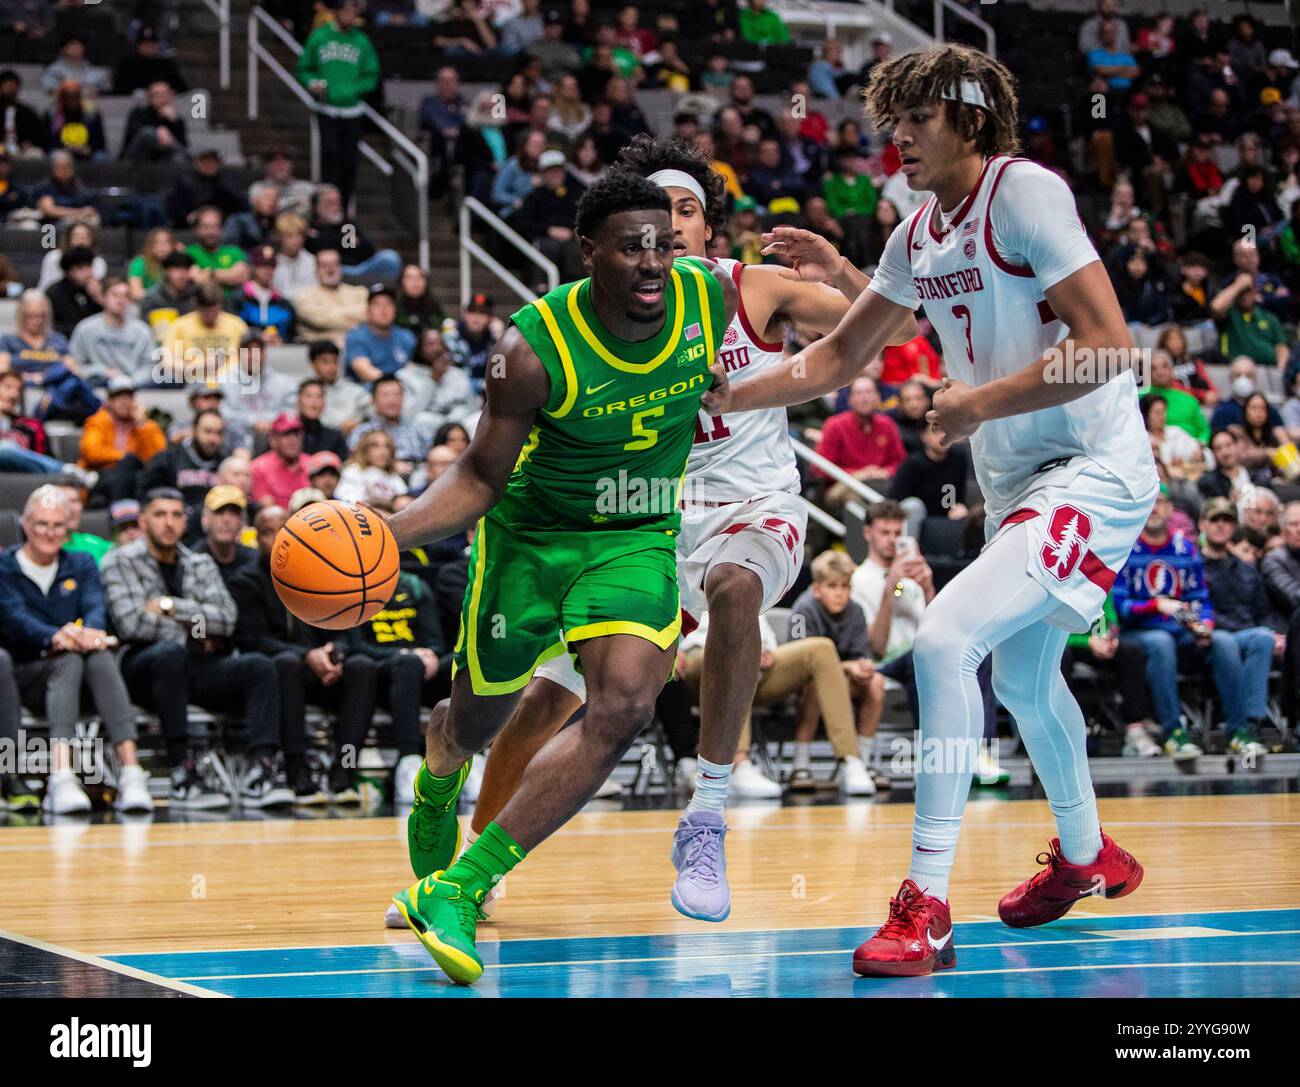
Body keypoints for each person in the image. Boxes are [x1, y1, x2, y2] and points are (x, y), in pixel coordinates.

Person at [705, 44, 1160, 977]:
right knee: (1030, 683)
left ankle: (927, 907)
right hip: (1019, 481)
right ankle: (1088, 857)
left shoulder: (1024, 194)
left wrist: (974, 405)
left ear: (970, 121)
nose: (898, 136)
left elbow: (1112, 345)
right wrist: (724, 396)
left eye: (917, 118)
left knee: (948, 639)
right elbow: (835, 359)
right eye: (893, 120)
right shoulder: (918, 233)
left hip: (1093, 468)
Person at [385, 171, 737, 984]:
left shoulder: (708, 298)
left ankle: (461, 887)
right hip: (531, 541)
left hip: (637, 535)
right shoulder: (530, 350)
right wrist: (389, 533)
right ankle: (440, 771)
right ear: (587, 253)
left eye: (664, 241)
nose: (655, 260)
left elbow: (832, 326)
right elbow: (478, 478)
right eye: (631, 246)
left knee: (623, 704)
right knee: (475, 723)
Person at [102, 488, 292, 808]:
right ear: (144, 519)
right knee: (168, 655)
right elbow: (131, 624)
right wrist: (195, 630)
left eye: (176, 515)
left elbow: (226, 619)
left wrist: (168, 606)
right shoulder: (119, 561)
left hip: (197, 666)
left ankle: (261, 769)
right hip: (141, 668)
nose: (169, 523)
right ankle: (182, 770)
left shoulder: (198, 562)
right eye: (160, 515)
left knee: (259, 666)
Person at [0, 487, 154, 814]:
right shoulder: (5, 567)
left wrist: (90, 633)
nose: (49, 532)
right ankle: (61, 775)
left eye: (57, 525)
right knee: (70, 659)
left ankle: (130, 772)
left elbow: (95, 606)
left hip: (80, 676)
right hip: (24, 676)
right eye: (41, 524)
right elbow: (15, 620)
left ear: (67, 528)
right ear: (25, 524)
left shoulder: (81, 563)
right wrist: (59, 635)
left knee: (96, 655)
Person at [228, 504, 379, 804]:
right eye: (267, 533)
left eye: (282, 530)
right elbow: (252, 640)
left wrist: (336, 650)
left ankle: (344, 772)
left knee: (363, 666)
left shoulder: (321, 570)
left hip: (324, 670)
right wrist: (306, 654)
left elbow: (345, 625)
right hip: (284, 677)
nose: (275, 538)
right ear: (255, 540)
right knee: (285, 664)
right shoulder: (245, 580)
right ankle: (297, 771)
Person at [1115, 489, 1256, 761]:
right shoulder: (1125, 548)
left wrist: (1204, 624)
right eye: (1149, 502)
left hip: (1183, 632)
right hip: (1141, 633)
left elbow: (1199, 598)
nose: (1155, 508)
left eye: (1161, 502)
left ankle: (1239, 732)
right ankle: (1173, 734)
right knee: (1161, 642)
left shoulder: (1185, 549)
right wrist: (1156, 605)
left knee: (1223, 641)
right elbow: (1120, 607)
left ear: (1171, 511)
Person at [788, 551, 884, 794]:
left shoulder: (856, 611)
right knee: (816, 684)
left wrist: (862, 667)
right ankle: (801, 763)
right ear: (817, 588)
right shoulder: (803, 609)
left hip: (845, 680)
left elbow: (859, 654)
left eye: (845, 586)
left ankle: (860, 760)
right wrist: (848, 666)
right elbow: (799, 661)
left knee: (876, 683)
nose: (840, 593)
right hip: (803, 683)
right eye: (832, 586)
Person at [1198, 497, 1276, 758]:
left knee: (1264, 637)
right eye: (1215, 520)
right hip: (1206, 638)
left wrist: (1275, 634)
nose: (1221, 526)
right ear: (1203, 525)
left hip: (1244, 634)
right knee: (1225, 641)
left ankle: (1252, 722)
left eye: (1227, 520)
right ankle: (1237, 728)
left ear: (1235, 527)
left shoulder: (1247, 569)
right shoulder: (1192, 566)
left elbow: (1263, 612)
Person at [295, 0, 378, 210]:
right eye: (347, 9)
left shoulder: (362, 41)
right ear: (337, 11)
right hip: (326, 107)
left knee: (350, 162)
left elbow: (371, 75)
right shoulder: (320, 36)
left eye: (354, 10)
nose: (350, 14)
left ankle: (343, 208)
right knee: (329, 156)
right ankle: (325, 205)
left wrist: (355, 89)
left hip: (352, 110)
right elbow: (304, 69)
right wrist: (312, 83)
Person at [812, 374, 906, 506]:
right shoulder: (834, 425)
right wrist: (860, 474)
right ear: (850, 399)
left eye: (869, 392)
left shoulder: (887, 424)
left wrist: (885, 471)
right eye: (859, 393)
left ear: (877, 397)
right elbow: (820, 468)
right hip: (844, 485)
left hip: (881, 482)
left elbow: (900, 462)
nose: (864, 398)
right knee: (857, 498)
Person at [137, 409, 226, 543]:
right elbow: (144, 495)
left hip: (212, 537)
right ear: (193, 430)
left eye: (218, 433)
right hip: (173, 529)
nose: (213, 439)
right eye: (207, 431)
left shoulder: (226, 465)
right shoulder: (168, 459)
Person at [79, 376, 166, 504]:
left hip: (136, 479)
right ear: (109, 401)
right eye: (119, 397)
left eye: (129, 397)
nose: (124, 402)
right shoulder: (98, 422)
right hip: (103, 477)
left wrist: (141, 424)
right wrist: (124, 456)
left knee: (131, 465)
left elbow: (157, 459)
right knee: (127, 462)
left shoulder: (147, 426)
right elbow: (92, 452)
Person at [68, 276, 155, 386]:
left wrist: (130, 382)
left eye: (125, 296)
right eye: (115, 295)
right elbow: (74, 365)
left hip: (134, 388)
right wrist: (102, 372)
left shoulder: (142, 331)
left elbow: (149, 367)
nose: (120, 300)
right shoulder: (85, 328)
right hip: (96, 387)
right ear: (103, 298)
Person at [397, 327, 481, 435]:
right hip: (428, 426)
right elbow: (409, 415)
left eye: (440, 343)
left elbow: (470, 406)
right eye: (430, 344)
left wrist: (452, 422)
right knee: (421, 419)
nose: (436, 348)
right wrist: (432, 380)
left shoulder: (457, 374)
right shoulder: (406, 376)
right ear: (420, 349)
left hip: (459, 425)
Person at [347, 375, 429, 472]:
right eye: (385, 395)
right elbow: (356, 464)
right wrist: (392, 466)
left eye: (397, 394)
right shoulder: (361, 432)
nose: (392, 400)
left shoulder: (417, 431)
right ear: (373, 400)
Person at [294, 250, 370, 347]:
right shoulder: (304, 296)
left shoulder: (360, 292)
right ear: (316, 271)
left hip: (360, 349)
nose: (330, 269)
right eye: (324, 265)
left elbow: (370, 314)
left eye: (335, 264)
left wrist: (329, 313)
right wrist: (355, 317)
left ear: (341, 268)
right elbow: (318, 320)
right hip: (322, 352)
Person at [345, 285, 417, 383]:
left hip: (402, 390)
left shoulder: (406, 336)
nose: (383, 309)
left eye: (388, 304)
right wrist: (395, 384)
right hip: (366, 390)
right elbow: (365, 372)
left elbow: (410, 367)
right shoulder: (355, 336)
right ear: (368, 311)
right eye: (377, 304)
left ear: (395, 310)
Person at [0, 290, 75, 384]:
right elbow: (2, 371)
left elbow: (72, 370)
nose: (36, 321)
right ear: (21, 315)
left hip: (54, 390)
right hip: (20, 390)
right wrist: (30, 377)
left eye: (41, 316)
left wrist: (47, 377)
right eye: (30, 316)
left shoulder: (58, 340)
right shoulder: (8, 340)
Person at [225, 245, 296, 343]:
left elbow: (291, 335)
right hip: (246, 354)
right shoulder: (237, 300)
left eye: (271, 265)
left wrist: (281, 340)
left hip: (279, 354)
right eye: (262, 265)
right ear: (253, 267)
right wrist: (258, 338)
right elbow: (232, 331)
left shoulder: (284, 304)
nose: (267, 269)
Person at [189, 485, 258, 586]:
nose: (226, 519)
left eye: (234, 513)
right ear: (205, 518)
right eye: (219, 512)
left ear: (243, 521)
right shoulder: (192, 561)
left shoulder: (254, 561)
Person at [336, 428, 409, 511]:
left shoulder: (394, 477)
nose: (383, 451)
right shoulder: (353, 471)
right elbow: (347, 502)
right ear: (365, 449)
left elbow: (405, 506)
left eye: (387, 446)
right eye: (375, 446)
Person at [250, 412, 310, 509]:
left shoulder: (312, 464)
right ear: (273, 439)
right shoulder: (258, 468)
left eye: (296, 434)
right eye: (286, 435)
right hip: (277, 521)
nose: (293, 441)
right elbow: (268, 509)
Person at [121, 80, 188, 163]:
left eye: (165, 94)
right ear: (149, 98)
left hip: (163, 162)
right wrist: (158, 132)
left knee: (179, 156)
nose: (162, 98)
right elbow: (138, 135)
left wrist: (173, 122)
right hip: (136, 159)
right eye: (157, 94)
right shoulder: (138, 113)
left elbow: (183, 146)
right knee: (147, 132)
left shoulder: (176, 119)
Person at [185, 206, 248, 294]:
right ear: (197, 229)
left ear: (221, 229)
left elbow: (242, 277)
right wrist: (229, 275)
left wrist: (210, 273)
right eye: (205, 226)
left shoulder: (234, 252)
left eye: (215, 226)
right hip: (202, 304)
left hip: (233, 304)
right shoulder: (189, 253)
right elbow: (198, 280)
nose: (210, 232)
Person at [140, 250, 197, 345]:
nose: (182, 275)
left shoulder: (197, 295)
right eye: (177, 269)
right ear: (167, 271)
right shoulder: (152, 298)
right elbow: (144, 330)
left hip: (191, 347)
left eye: (186, 270)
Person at [46, 247, 102, 339]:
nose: (87, 272)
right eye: (80, 268)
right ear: (69, 271)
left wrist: (98, 298)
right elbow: (51, 325)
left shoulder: (95, 290)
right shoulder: (54, 292)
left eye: (89, 266)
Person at [295, 378, 348, 459]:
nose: (314, 402)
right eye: (308, 396)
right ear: (298, 400)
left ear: (324, 403)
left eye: (319, 397)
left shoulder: (335, 437)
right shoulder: (285, 435)